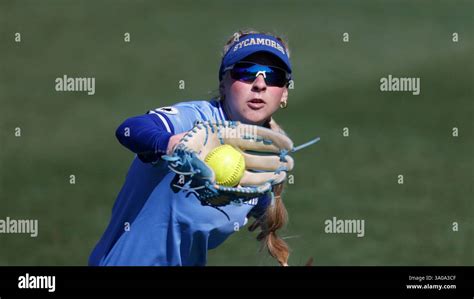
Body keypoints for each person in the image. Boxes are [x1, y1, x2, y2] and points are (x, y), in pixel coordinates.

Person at [89, 29, 295, 266]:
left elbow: (261, 203)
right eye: (246, 72)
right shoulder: (196, 122)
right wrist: (171, 144)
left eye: (273, 76)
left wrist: (267, 212)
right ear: (224, 83)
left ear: (284, 93)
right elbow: (130, 129)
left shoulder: (263, 161)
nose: (260, 84)